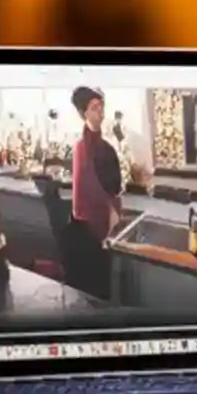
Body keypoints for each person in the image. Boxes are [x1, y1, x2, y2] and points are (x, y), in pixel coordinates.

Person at [67, 87, 123, 299]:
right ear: (84, 114)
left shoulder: (107, 149)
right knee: (89, 288)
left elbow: (115, 186)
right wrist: (108, 210)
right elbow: (83, 191)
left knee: (102, 286)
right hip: (85, 230)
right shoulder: (80, 148)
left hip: (103, 224)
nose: (100, 111)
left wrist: (114, 209)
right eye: (94, 107)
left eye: (101, 106)